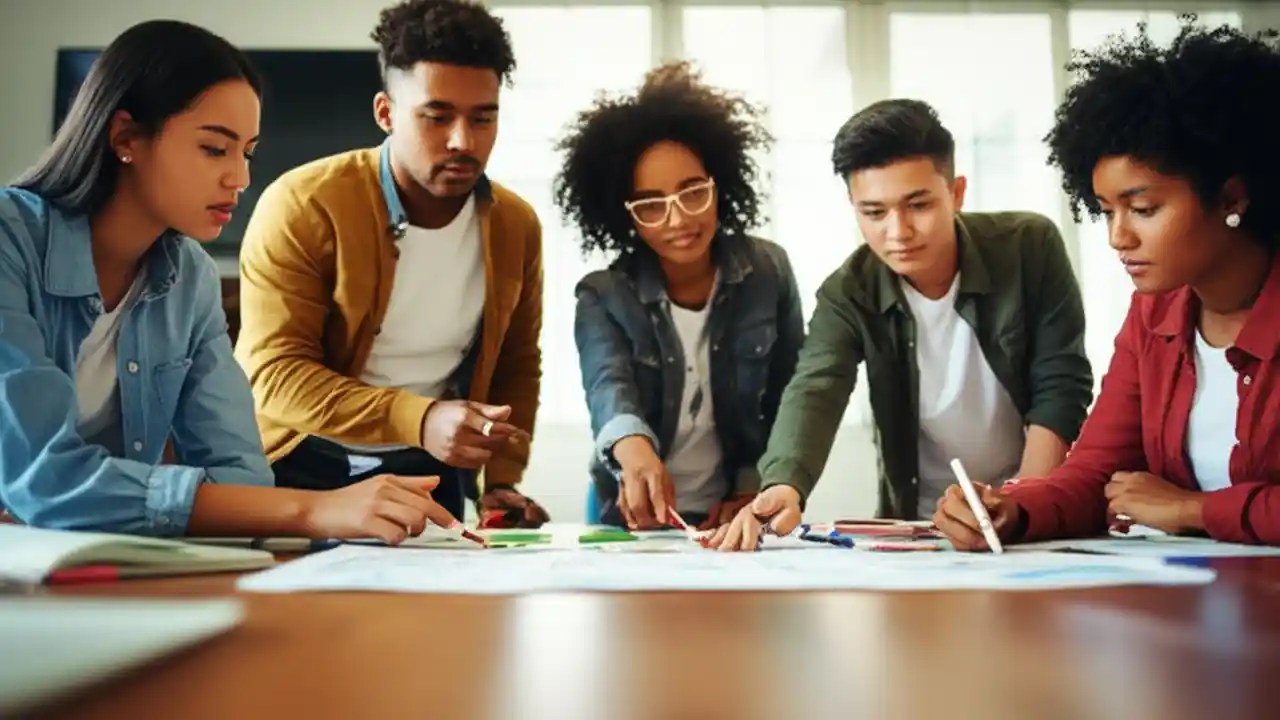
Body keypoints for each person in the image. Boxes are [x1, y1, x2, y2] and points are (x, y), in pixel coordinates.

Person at [0, 20, 456, 543]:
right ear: (125, 136)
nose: (240, 179)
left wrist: (296, 512)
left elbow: (239, 471)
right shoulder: (10, 242)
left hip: (81, 562)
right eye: (215, 149)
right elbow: (45, 479)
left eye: (247, 152)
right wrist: (311, 510)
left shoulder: (188, 276)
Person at [935, 21, 1280, 549]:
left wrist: (1196, 509)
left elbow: (1169, 507)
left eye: (1144, 209)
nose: (1119, 237)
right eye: (1106, 211)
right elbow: (1096, 474)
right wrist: (1014, 510)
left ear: (1232, 198)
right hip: (1197, 610)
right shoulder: (1155, 315)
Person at [713, 99, 1094, 551]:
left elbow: (1061, 384)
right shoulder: (848, 291)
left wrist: (1028, 504)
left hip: (1033, 514)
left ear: (956, 192)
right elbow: (815, 387)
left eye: (918, 205)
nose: (898, 231)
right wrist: (783, 483)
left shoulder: (1029, 247)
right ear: (853, 207)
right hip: (920, 531)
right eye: (873, 213)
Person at [234, 0, 548, 527]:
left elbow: (517, 362)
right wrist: (419, 418)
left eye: (483, 118)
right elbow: (272, 373)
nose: (462, 142)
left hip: (428, 474)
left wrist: (502, 482)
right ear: (385, 112)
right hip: (298, 466)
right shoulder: (303, 203)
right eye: (437, 116)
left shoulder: (516, 226)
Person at [554, 62, 804, 530]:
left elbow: (792, 395)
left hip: (741, 512)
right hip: (632, 513)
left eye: (693, 192)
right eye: (651, 204)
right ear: (624, 215)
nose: (677, 220)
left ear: (719, 185)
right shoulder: (602, 296)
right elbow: (608, 389)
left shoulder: (768, 272)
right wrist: (634, 452)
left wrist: (753, 485)